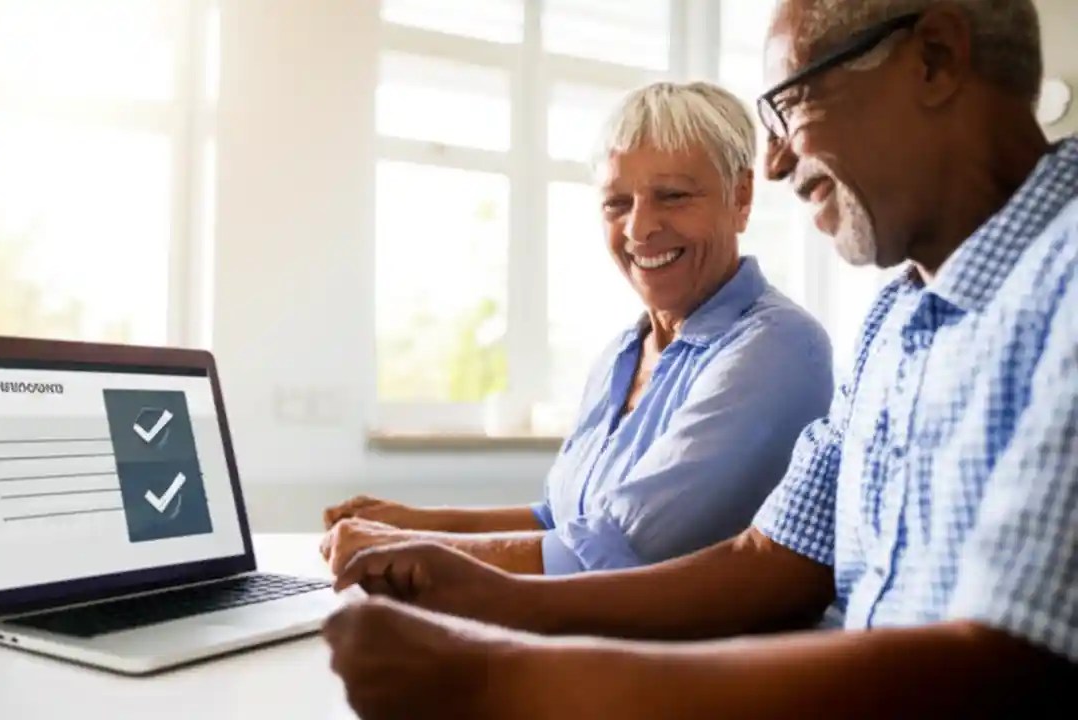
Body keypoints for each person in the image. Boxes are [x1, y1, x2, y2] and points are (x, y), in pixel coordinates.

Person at [322, 0, 1078, 717]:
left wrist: (509, 679)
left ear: (935, 60)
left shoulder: (1063, 279)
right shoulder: (894, 315)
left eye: (793, 102)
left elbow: (1011, 665)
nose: (779, 160)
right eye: (617, 203)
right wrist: (490, 597)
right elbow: (772, 562)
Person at [319, 82, 833, 577]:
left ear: (740, 197)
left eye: (673, 196)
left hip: (699, 659)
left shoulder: (778, 347)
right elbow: (561, 520)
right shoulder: (621, 355)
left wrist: (409, 547)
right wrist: (413, 521)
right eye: (617, 203)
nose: (639, 228)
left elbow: (617, 549)